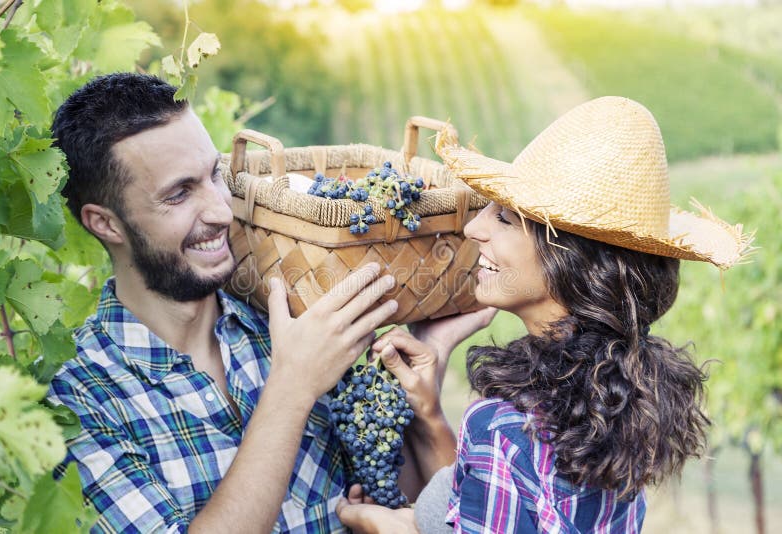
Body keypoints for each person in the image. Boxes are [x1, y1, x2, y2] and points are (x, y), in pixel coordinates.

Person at [336, 96, 751, 533]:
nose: (476, 228)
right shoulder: (618, 406)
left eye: (506, 219)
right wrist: (430, 415)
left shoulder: (506, 428)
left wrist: (383, 526)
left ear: (572, 260)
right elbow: (509, 502)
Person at [46, 73, 408, 533]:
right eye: (179, 194)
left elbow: (397, 500)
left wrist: (423, 386)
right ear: (106, 224)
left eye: (214, 175)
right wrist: (293, 388)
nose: (220, 210)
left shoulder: (292, 320)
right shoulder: (76, 398)